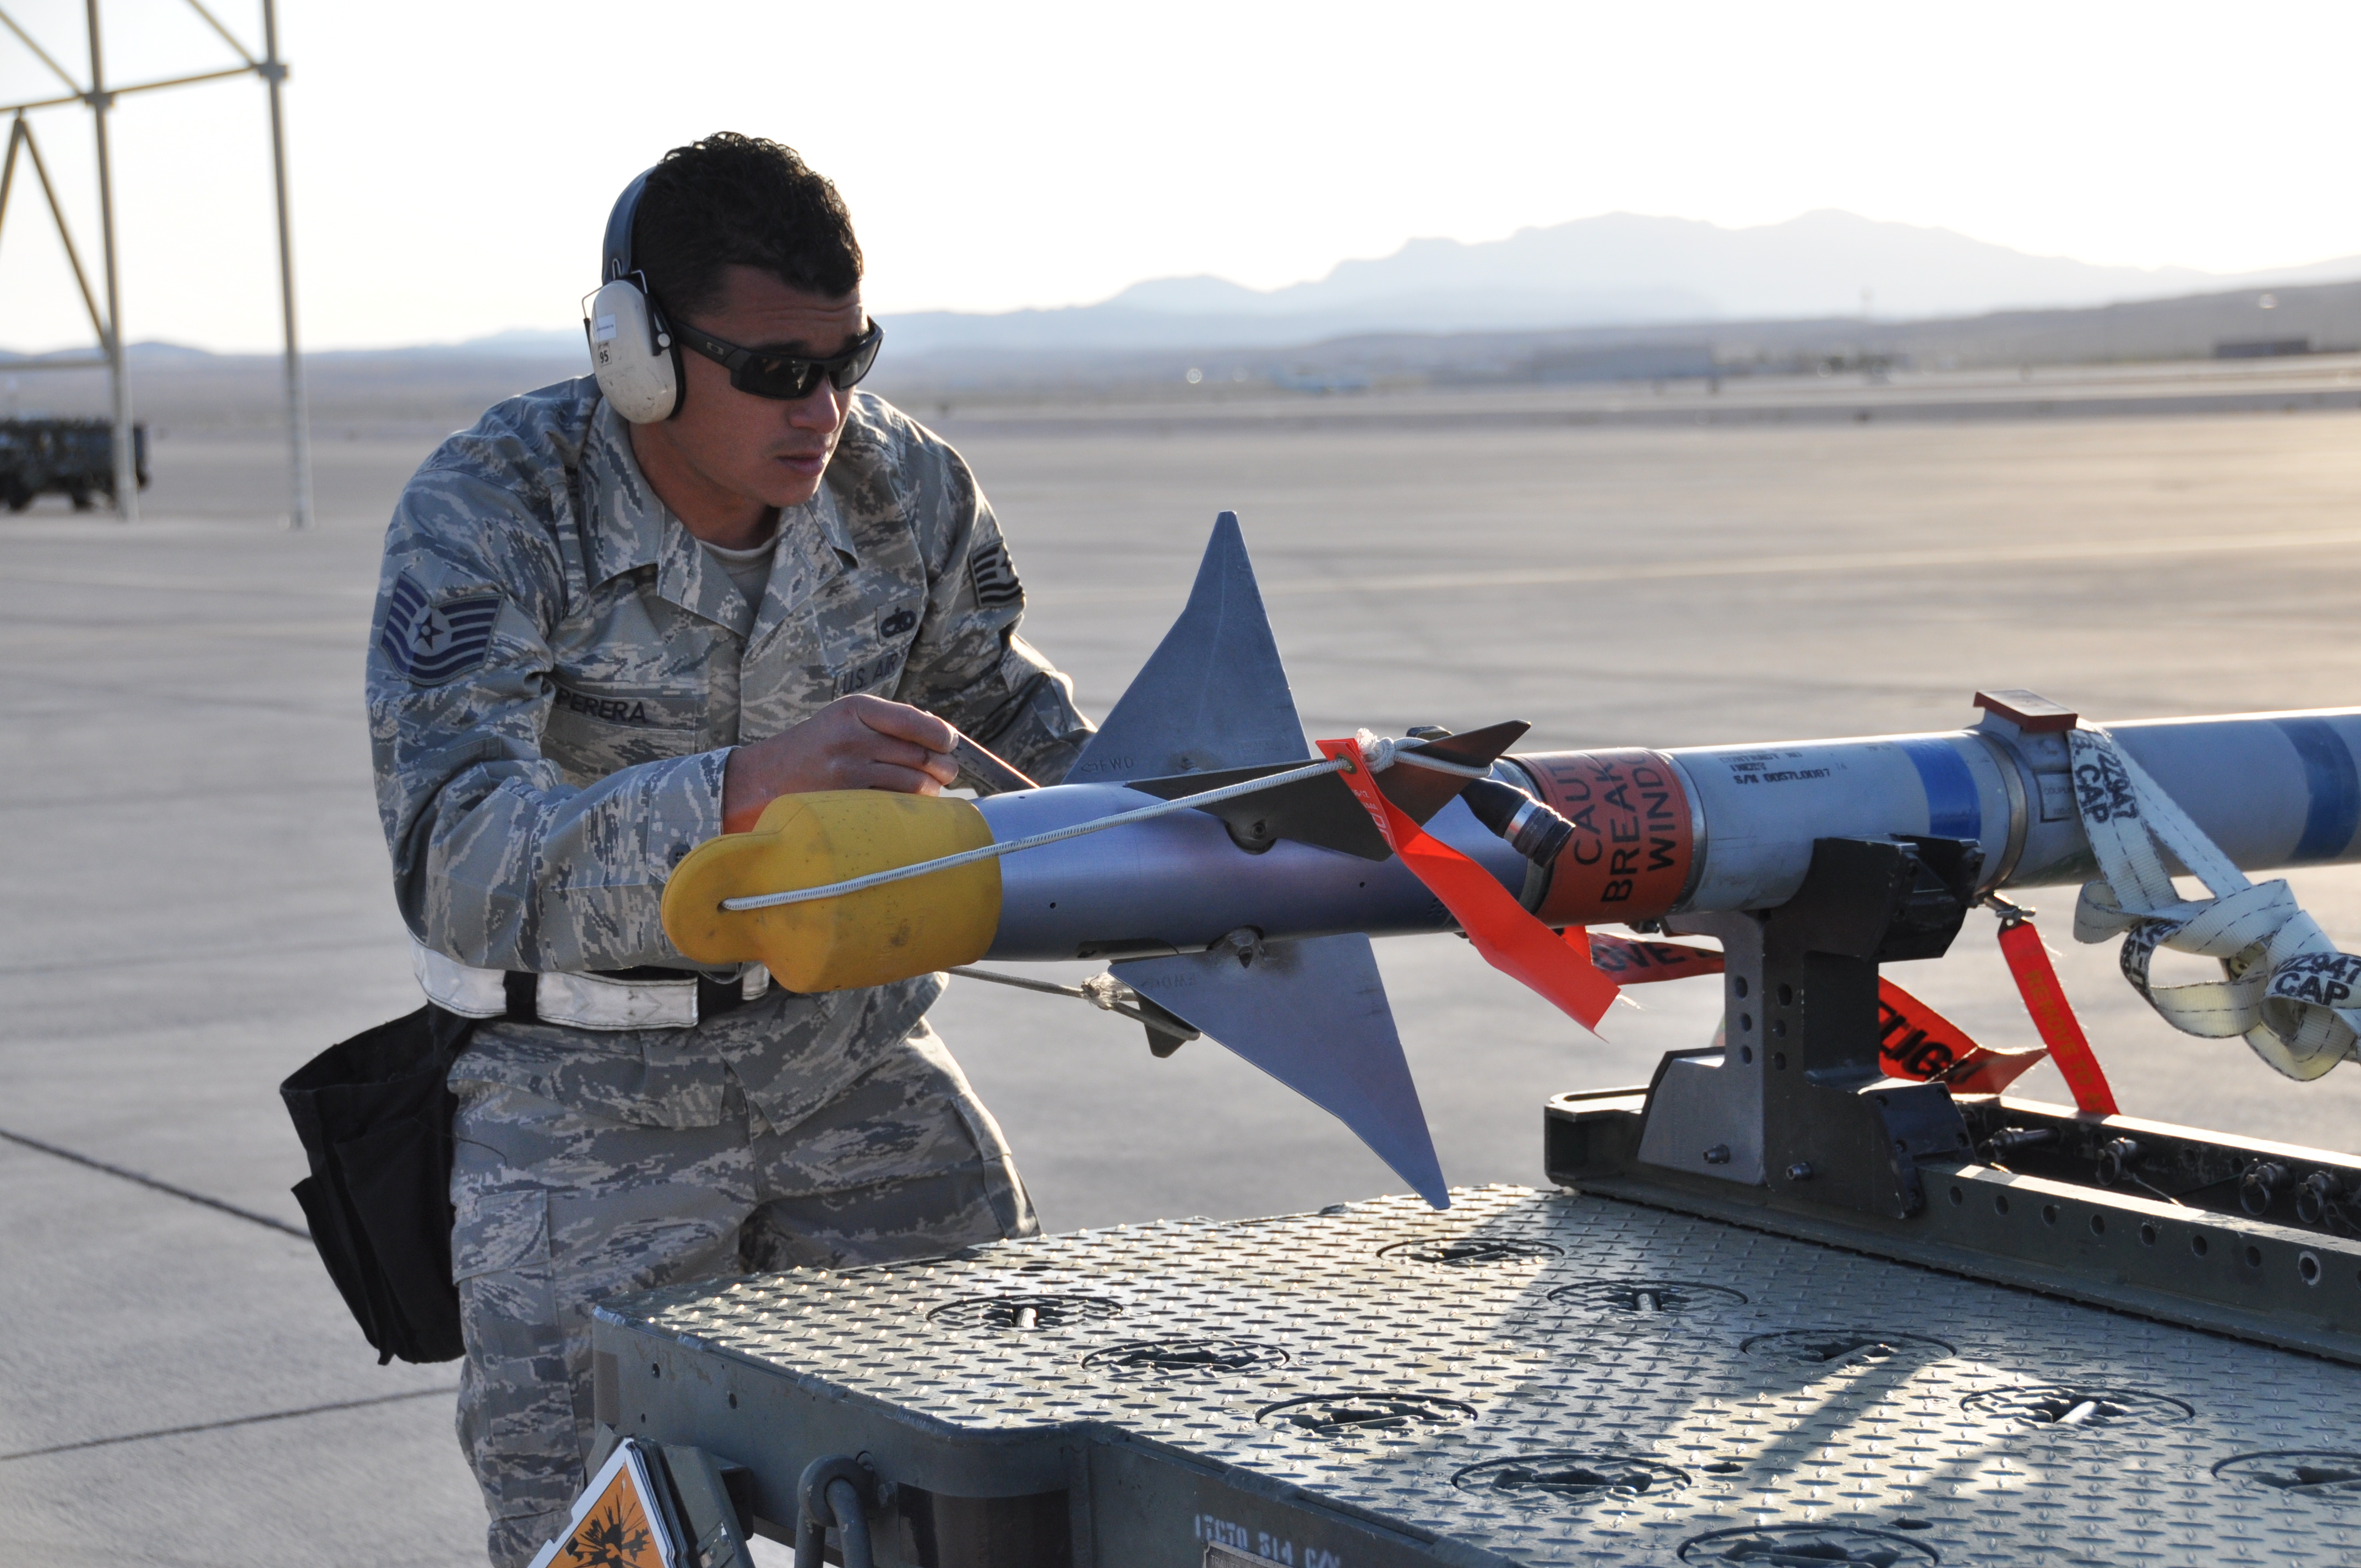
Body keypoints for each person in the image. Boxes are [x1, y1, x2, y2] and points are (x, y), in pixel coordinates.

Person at [365, 132, 1091, 1566]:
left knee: (999, 1491)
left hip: (849, 1068)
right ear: (639, 352)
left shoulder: (905, 493)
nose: (823, 407)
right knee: (596, 1539)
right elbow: (460, 864)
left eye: (850, 358)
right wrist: (739, 795)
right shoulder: (498, 513)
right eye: (775, 370)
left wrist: (1238, 807)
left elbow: (1020, 731)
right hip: (585, 1113)